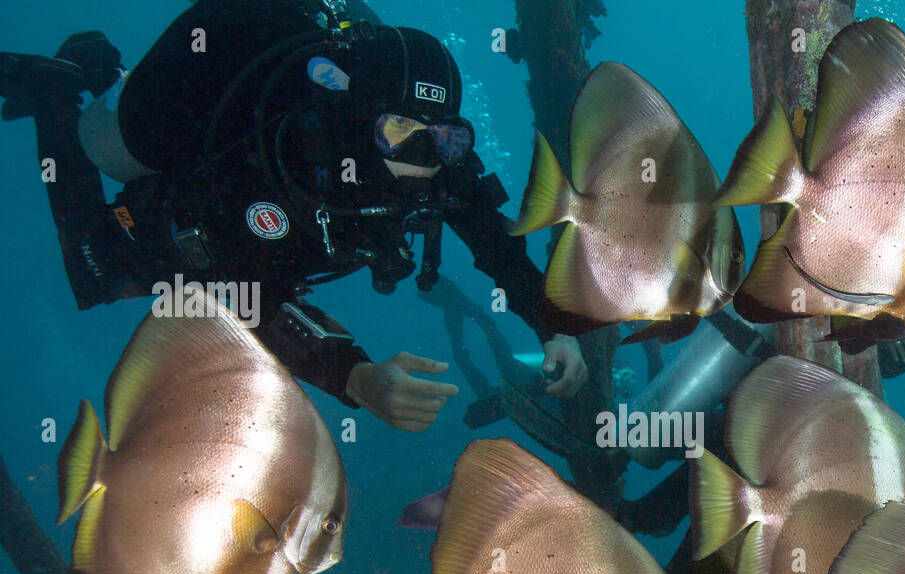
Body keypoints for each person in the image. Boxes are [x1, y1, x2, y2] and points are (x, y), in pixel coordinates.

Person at [0, 0, 587, 432]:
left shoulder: (437, 152)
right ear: (357, 121)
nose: (425, 162)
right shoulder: (282, 161)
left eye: (449, 138)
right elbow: (254, 297)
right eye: (399, 133)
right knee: (104, 270)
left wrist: (548, 320)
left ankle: (102, 75)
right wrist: (357, 378)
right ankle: (59, 97)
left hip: (246, 125)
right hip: (196, 153)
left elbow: (491, 233)